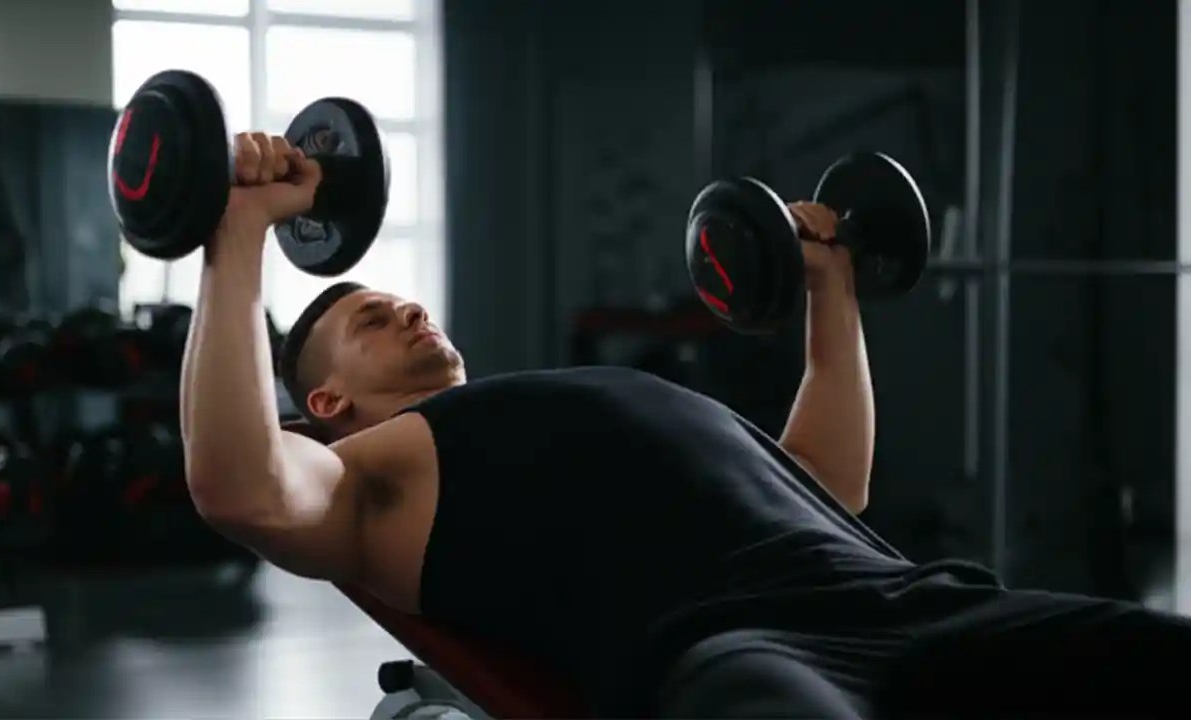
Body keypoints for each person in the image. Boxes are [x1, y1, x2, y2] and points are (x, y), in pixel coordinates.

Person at [181, 132, 1191, 719]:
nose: (407, 308)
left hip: (910, 602)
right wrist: (236, 230)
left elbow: (824, 481)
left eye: (402, 299)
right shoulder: (374, 470)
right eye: (369, 317)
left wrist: (827, 289)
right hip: (741, 650)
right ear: (326, 404)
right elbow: (242, 486)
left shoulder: (571, 395)